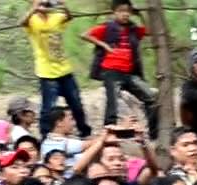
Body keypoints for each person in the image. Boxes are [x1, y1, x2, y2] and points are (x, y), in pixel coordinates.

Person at [83, 0, 158, 139]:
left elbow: (150, 32)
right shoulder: (107, 27)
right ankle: (109, 135)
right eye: (121, 11)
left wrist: (140, 15)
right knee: (113, 103)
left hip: (129, 73)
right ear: (114, 12)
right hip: (111, 71)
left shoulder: (133, 29)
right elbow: (85, 34)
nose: (124, 14)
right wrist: (104, 45)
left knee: (151, 98)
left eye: (127, 11)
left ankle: (154, 135)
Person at [22, 0, 91, 138]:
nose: (44, 5)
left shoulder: (56, 17)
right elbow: (22, 23)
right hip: (46, 72)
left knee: (76, 103)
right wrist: (34, 9)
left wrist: (63, 6)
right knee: (48, 107)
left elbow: (69, 17)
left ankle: (84, 131)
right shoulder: (33, 20)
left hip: (64, 69)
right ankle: (45, 135)